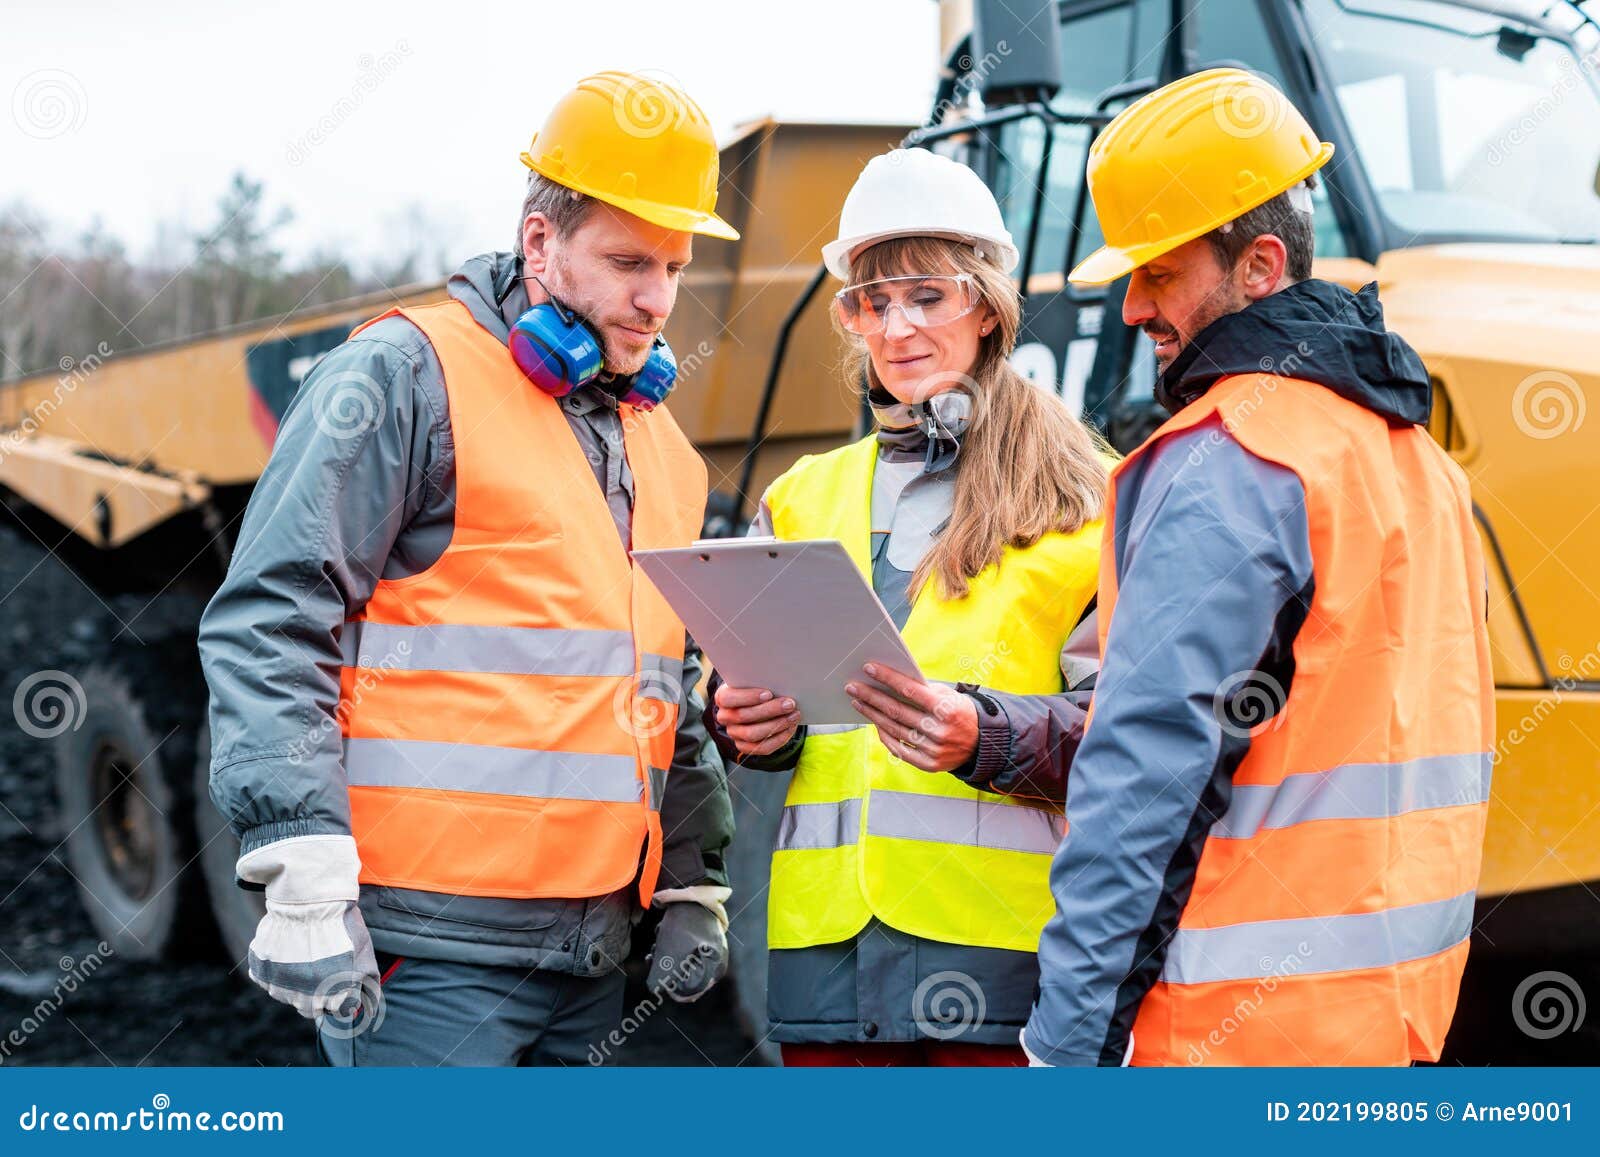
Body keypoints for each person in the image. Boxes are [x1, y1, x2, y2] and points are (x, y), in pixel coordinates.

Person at [925, 68, 1493, 1066]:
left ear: (1260, 263)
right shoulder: (1422, 467)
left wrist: (1064, 1044)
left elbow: (1146, 780)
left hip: (1226, 1039)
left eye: (1160, 271)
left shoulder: (1225, 456)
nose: (1132, 304)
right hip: (1385, 1027)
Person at [197, 71, 739, 1066]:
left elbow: (669, 686)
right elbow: (272, 617)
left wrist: (693, 875)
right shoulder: (405, 373)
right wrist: (298, 857)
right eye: (627, 261)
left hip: (590, 955)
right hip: (430, 952)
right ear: (539, 243)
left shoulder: (663, 448)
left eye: (674, 263)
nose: (657, 297)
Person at [706, 148, 1111, 1066]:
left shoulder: (1091, 503)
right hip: (825, 967)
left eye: (927, 296)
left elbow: (1130, 740)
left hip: (998, 962)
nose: (895, 328)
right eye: (869, 301)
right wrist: (744, 722)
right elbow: (744, 713)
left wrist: (985, 733)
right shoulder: (801, 497)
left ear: (987, 305)